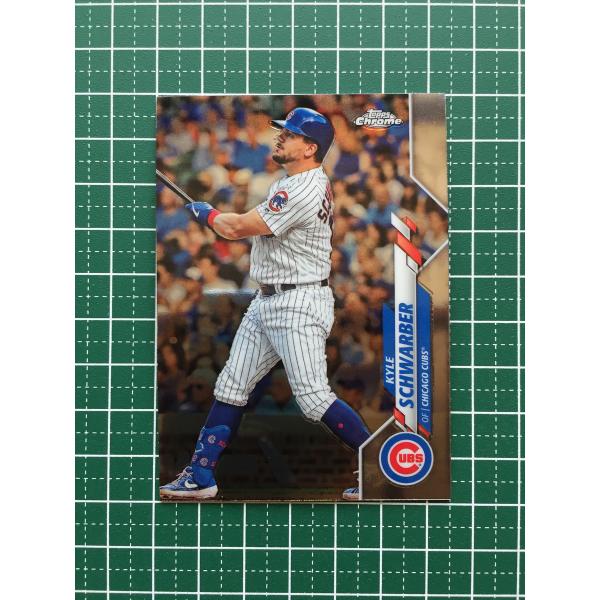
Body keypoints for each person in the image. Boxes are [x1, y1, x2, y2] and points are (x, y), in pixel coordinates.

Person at [159, 108, 371, 502]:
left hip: (299, 300)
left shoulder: (301, 189)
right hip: (270, 297)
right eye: (282, 132)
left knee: (313, 398)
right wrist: (217, 217)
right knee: (231, 386)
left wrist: (209, 215)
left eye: (290, 134)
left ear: (310, 148)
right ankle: (200, 474)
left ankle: (378, 465)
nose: (279, 137)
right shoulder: (290, 180)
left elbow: (235, 228)